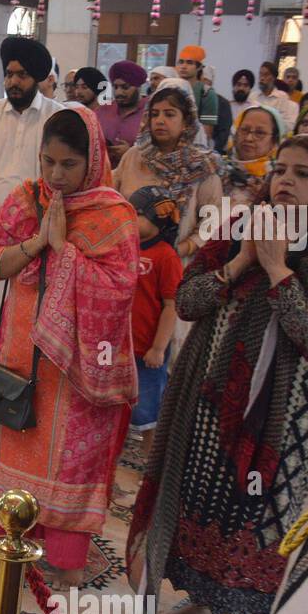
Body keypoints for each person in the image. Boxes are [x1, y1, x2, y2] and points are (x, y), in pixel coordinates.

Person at [128, 134, 308, 614]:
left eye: (303, 174)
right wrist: (240, 264)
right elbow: (187, 302)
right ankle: (204, 607)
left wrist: (279, 269)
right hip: (211, 399)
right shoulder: (238, 229)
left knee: (261, 522)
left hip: (286, 422)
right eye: (280, 169)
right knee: (202, 503)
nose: (285, 180)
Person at [0, 107, 138, 588]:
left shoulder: (113, 215)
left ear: (94, 161)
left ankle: (65, 561)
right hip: (18, 351)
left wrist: (65, 252)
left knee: (66, 459)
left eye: (68, 164)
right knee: (13, 437)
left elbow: (119, 288)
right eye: (48, 162)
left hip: (75, 366)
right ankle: (7, 540)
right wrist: (39, 242)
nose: (56, 176)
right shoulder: (26, 199)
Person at [0, 36, 65, 362]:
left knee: (30, 317)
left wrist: (34, 231)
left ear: (36, 77)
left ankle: (25, 395)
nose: (13, 81)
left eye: (21, 74)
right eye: (9, 74)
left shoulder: (56, 116)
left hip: (38, 236)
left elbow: (56, 180)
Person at [113, 84, 222, 263]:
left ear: (186, 121)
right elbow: (112, 201)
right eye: (155, 114)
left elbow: (212, 221)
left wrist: (180, 249)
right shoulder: (134, 156)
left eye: (169, 114)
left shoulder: (201, 166)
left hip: (176, 262)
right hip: (127, 258)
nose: (160, 120)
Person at [126, 185, 183, 457]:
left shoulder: (166, 257)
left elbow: (172, 306)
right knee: (113, 410)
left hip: (147, 353)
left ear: (158, 219)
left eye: (137, 213)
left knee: (149, 414)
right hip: (117, 349)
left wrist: (159, 348)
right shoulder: (122, 246)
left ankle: (149, 471)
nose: (130, 217)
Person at [222, 105, 284, 208]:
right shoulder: (217, 168)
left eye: (260, 133)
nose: (249, 138)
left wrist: (268, 198)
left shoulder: (278, 182)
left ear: (275, 141)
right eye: (244, 130)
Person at [96, 60, 148, 169]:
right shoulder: (102, 111)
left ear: (138, 87)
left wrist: (130, 153)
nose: (119, 92)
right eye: (115, 87)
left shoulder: (151, 113)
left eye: (125, 87)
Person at [175, 45, 219, 143]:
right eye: (181, 62)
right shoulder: (171, 88)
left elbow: (206, 133)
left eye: (189, 63)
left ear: (199, 67)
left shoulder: (206, 93)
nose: (183, 66)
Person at [255, 61, 298, 131]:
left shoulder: (282, 97)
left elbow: (285, 123)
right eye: (260, 74)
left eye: (266, 75)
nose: (262, 78)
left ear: (273, 78)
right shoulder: (253, 96)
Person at [203, 65, 232, 155]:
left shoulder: (222, 103)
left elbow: (223, 132)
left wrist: (212, 152)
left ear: (211, 82)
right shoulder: (191, 99)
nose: (201, 83)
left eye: (204, 80)